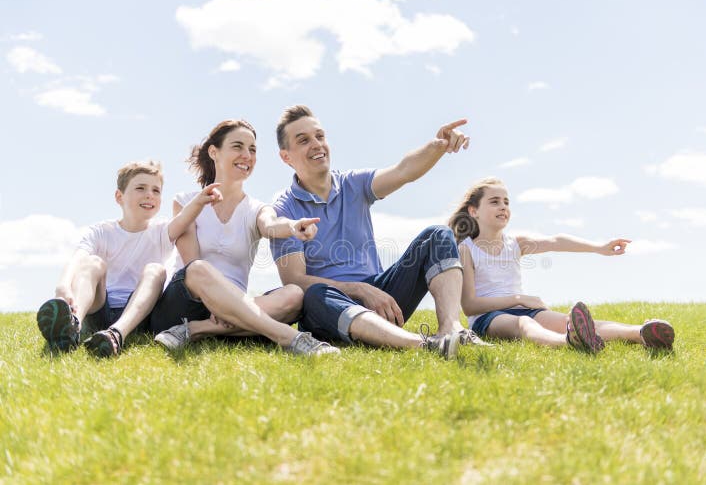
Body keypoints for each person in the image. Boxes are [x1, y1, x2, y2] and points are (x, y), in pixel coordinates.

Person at [269, 105, 489, 360]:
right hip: (329, 309)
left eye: (320, 136)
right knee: (315, 295)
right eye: (304, 140)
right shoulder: (284, 209)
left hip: (381, 301)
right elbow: (295, 280)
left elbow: (403, 171)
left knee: (437, 234)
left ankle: (452, 330)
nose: (317, 144)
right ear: (286, 157)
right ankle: (423, 345)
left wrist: (437, 146)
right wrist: (360, 290)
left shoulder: (353, 183)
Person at [150, 119, 339, 356]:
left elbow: (271, 225)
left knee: (294, 295)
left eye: (252, 150)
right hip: (187, 300)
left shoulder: (256, 208)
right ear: (214, 152)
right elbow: (190, 263)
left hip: (235, 306)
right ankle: (288, 337)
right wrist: (221, 304)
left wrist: (292, 227)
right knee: (199, 268)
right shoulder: (187, 201)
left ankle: (197, 330)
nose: (247, 155)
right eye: (238, 146)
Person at [449, 177, 675, 353]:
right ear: (473, 211)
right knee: (524, 324)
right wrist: (518, 299)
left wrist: (598, 247)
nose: (503, 207)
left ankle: (643, 333)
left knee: (565, 321)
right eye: (494, 201)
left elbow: (557, 241)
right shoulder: (466, 249)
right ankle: (568, 342)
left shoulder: (516, 243)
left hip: (524, 308)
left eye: (506, 202)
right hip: (488, 317)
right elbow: (469, 306)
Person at [36, 160, 222, 356]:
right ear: (119, 196)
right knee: (93, 263)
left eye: (156, 190)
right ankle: (73, 326)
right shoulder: (101, 231)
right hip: (101, 309)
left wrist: (201, 200)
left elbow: (184, 218)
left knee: (156, 270)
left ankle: (116, 335)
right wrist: (63, 286)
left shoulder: (161, 231)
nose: (149, 194)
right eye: (140, 188)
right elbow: (78, 258)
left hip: (139, 316)